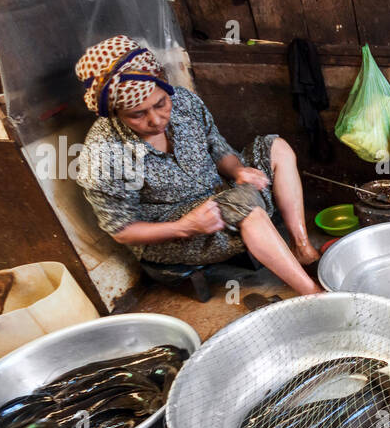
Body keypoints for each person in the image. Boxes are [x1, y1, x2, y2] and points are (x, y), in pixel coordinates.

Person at [73, 35, 320, 296]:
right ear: (115, 112)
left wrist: (237, 170)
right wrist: (185, 227)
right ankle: (313, 293)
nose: (156, 120)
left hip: (220, 190)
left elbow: (216, 146)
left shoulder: (184, 102)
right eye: (138, 114)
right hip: (176, 231)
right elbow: (122, 230)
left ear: (164, 83)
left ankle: (301, 246)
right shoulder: (103, 154)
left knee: (276, 147)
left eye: (160, 104)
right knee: (245, 205)